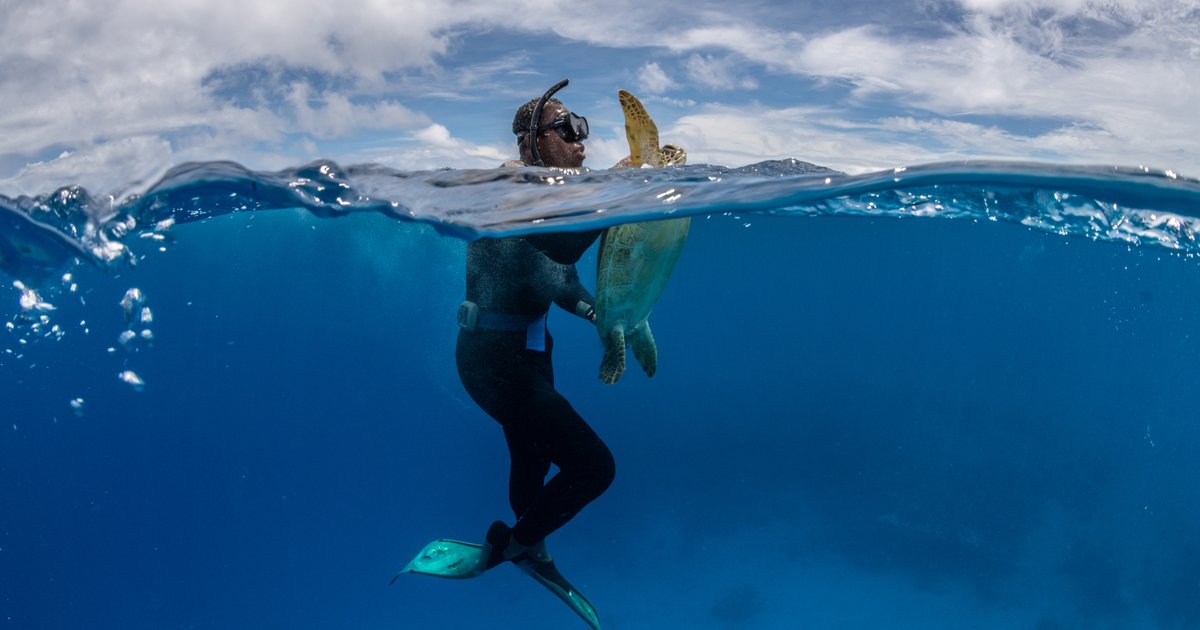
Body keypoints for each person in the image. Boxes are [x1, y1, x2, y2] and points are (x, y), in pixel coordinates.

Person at [454, 79, 616, 571]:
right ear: (532, 141)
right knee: (594, 467)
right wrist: (616, 197)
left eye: (582, 128)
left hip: (533, 352)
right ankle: (514, 544)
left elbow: (561, 279)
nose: (581, 141)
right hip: (492, 360)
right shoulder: (511, 193)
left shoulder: (555, 197)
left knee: (532, 456)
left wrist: (596, 314)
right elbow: (563, 248)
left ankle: (529, 537)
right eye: (567, 129)